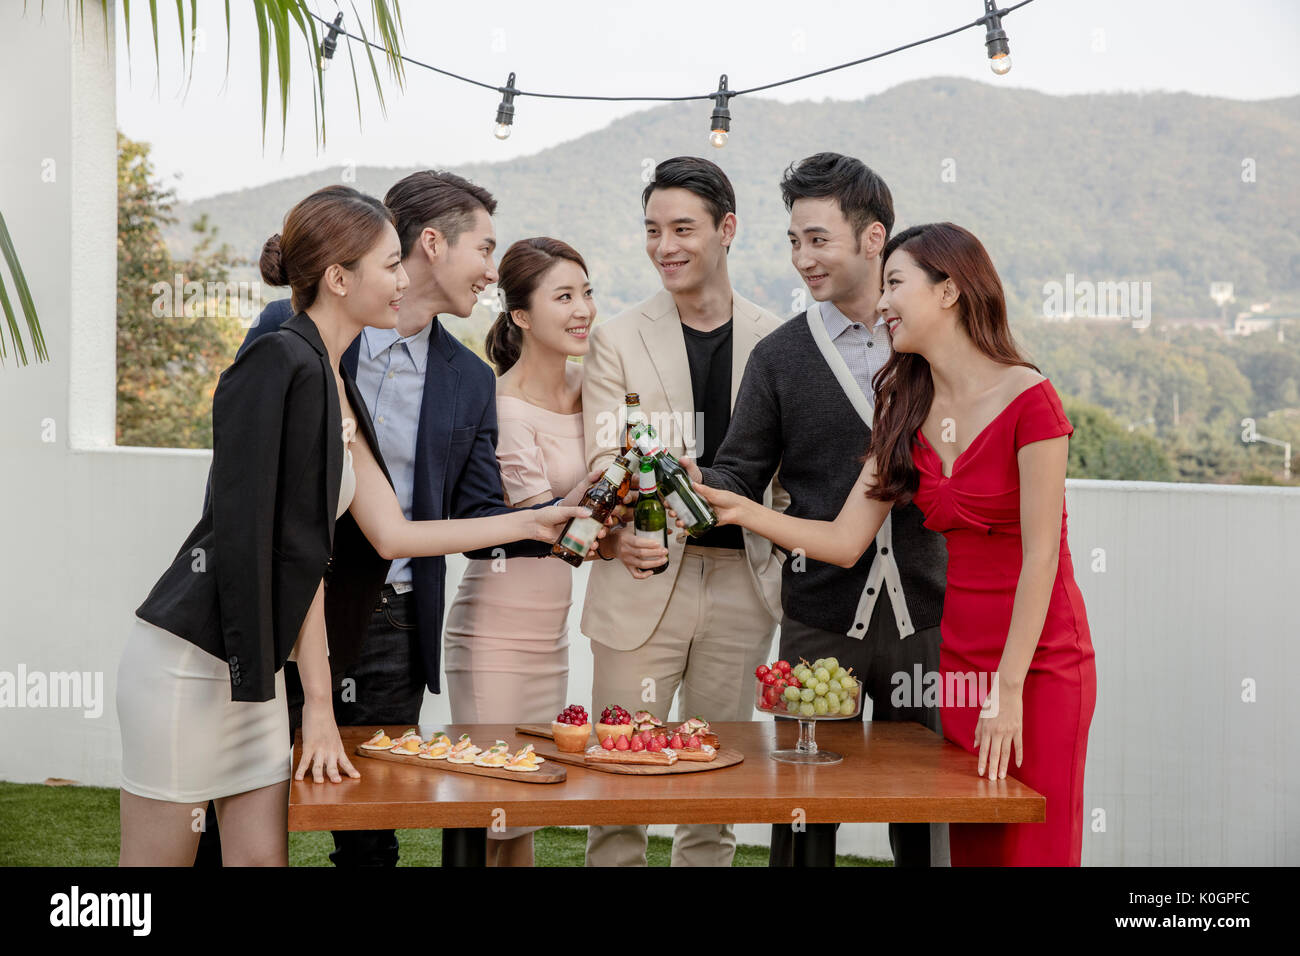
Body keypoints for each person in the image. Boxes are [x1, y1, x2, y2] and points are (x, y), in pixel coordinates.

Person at [119, 184, 597, 866]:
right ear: (342, 278)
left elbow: (394, 535)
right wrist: (314, 699)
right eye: (389, 265)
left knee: (294, 852)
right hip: (215, 652)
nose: (403, 280)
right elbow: (265, 533)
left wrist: (543, 520)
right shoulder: (283, 355)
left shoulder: (361, 377)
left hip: (306, 644)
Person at [690, 222, 1097, 866]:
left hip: (1040, 661)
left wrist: (1010, 690)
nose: (882, 302)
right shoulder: (903, 407)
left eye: (897, 285)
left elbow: (1042, 558)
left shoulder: (1031, 400)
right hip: (961, 655)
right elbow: (844, 541)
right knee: (974, 841)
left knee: (1033, 844)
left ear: (949, 292)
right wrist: (742, 510)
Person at [674, 153, 949, 867]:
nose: (802, 258)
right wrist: (694, 480)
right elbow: (741, 467)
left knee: (928, 809)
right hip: (819, 613)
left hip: (931, 612)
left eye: (817, 239)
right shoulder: (780, 356)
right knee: (801, 814)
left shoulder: (934, 344)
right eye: (793, 241)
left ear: (871, 238)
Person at [580, 156, 786, 867]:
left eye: (682, 228)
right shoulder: (615, 337)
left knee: (715, 790)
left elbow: (791, 479)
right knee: (616, 781)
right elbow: (605, 460)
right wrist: (626, 533)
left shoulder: (780, 338)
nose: (664, 245)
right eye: (652, 230)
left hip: (741, 589)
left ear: (726, 229)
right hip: (642, 582)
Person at [444, 237, 596, 867]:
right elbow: (548, 528)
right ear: (522, 317)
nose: (583, 308)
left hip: (549, 632)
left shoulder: (597, 390)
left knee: (526, 809)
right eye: (564, 296)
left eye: (587, 292)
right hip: (495, 634)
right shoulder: (504, 406)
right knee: (488, 806)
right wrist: (614, 478)